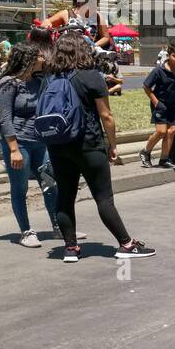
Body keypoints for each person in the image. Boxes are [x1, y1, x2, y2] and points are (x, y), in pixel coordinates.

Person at [42, 34, 154, 262]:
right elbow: (106, 115)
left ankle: (70, 248)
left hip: (58, 145)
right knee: (103, 198)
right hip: (88, 143)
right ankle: (126, 244)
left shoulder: (50, 77)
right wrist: (112, 145)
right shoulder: (91, 76)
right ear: (83, 51)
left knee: (65, 196)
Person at [0, 43, 65, 248]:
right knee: (20, 187)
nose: (43, 59)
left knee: (51, 183)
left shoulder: (37, 80)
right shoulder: (8, 84)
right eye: (40, 57)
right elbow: (5, 119)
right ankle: (25, 231)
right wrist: (14, 149)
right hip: (18, 144)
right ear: (30, 61)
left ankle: (59, 227)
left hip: (39, 142)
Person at [140, 42, 175, 168]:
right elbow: (146, 86)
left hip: (173, 104)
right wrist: (156, 102)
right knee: (161, 131)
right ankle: (145, 152)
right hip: (160, 104)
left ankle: (164, 159)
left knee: (172, 131)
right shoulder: (158, 71)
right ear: (168, 55)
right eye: (174, 55)